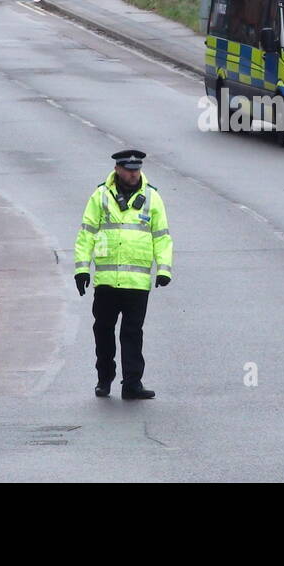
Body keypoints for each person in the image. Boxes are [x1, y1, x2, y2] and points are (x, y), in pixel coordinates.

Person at [74, 150, 172, 400]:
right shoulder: (100, 196)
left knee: (132, 333)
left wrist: (163, 269)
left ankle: (132, 384)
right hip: (106, 281)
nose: (133, 174)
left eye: (136, 169)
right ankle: (104, 379)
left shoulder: (152, 197)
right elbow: (87, 234)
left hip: (137, 283)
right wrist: (82, 269)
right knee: (103, 332)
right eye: (128, 169)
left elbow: (161, 236)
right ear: (117, 169)